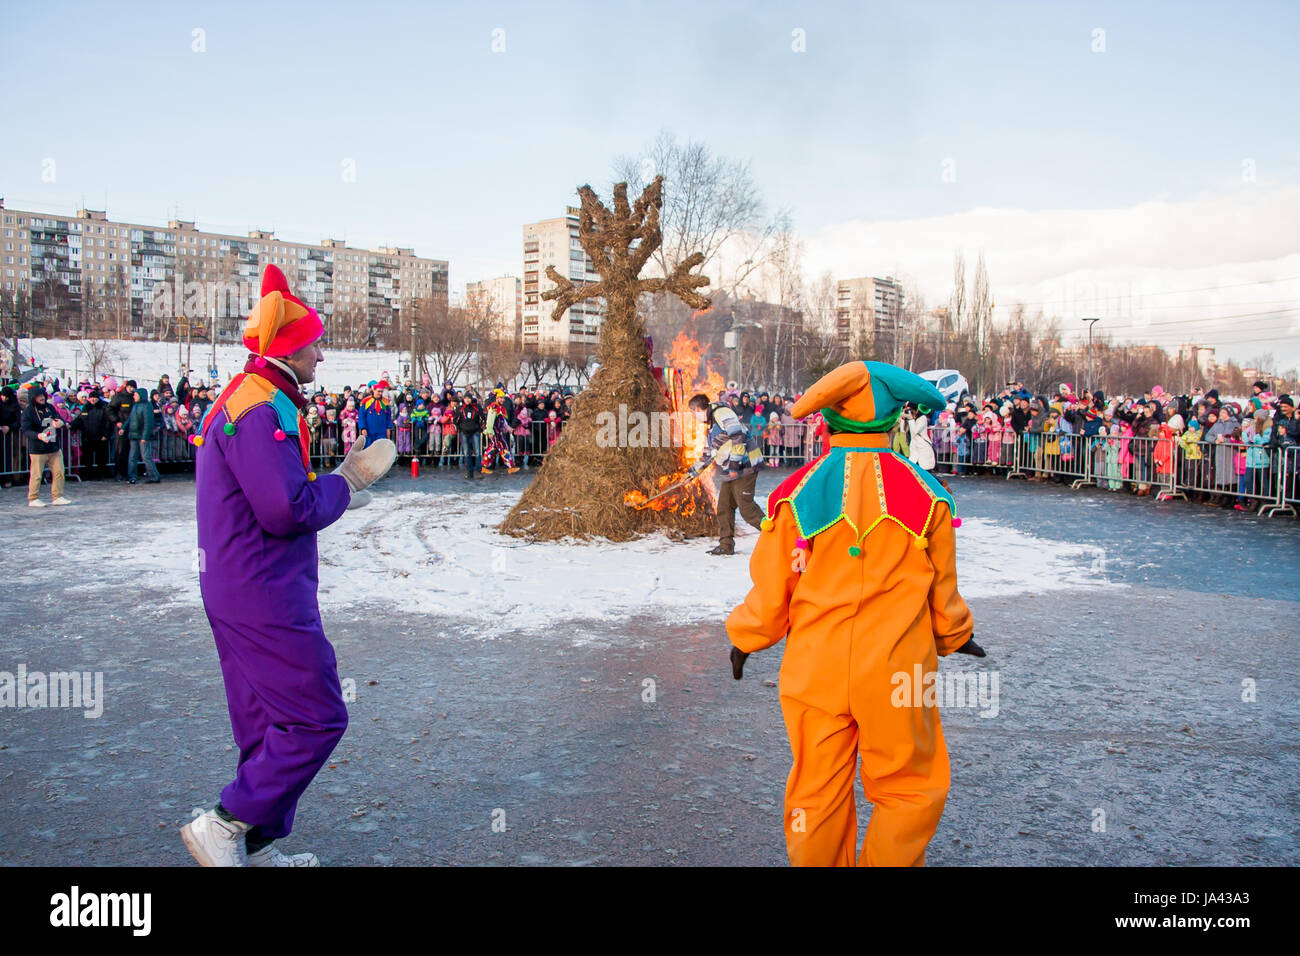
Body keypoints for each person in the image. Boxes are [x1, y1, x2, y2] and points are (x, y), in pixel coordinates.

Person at [726, 360, 984, 867]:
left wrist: (747, 637)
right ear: (893, 421)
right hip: (897, 670)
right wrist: (955, 636)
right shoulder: (930, 497)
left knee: (815, 793)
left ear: (828, 421)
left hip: (814, 669)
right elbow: (943, 590)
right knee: (909, 790)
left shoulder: (793, 494)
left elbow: (772, 588)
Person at [181, 265, 395, 868]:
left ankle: (248, 846)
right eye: (315, 343)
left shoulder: (252, 396)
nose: (322, 355)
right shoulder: (257, 406)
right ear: (290, 347)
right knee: (317, 716)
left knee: (267, 725)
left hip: (243, 583)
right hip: (262, 590)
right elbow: (285, 509)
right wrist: (346, 481)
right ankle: (225, 826)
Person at [684, 392, 764, 556]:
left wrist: (734, 466)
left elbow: (738, 437)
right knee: (724, 507)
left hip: (745, 466)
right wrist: (692, 473)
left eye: (693, 413)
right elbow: (708, 454)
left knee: (747, 509)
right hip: (732, 469)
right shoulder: (711, 425)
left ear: (698, 409)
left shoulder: (722, 414)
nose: (694, 416)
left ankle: (778, 536)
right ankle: (726, 545)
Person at [21, 385, 72, 507]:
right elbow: (26, 430)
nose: (42, 398)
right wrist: (38, 435)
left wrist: (60, 422)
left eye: (43, 395)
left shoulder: (49, 407)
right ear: (33, 398)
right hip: (38, 448)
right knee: (37, 474)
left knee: (59, 471)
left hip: (54, 446)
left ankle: (57, 496)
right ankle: (33, 498)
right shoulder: (29, 411)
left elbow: (58, 418)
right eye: (39, 396)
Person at [126, 387, 161, 484]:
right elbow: (130, 419)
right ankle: (132, 476)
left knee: (146, 456)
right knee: (132, 457)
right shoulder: (136, 405)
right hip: (134, 435)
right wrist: (123, 427)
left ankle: (154, 476)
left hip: (142, 436)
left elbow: (148, 422)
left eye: (136, 395)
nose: (134, 396)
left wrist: (145, 437)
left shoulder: (147, 406)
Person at [453, 392, 485, 478]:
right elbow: (455, 420)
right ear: (463, 399)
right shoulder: (460, 408)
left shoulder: (477, 407)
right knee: (466, 453)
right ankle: (469, 471)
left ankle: (478, 471)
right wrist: (460, 428)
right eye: (466, 398)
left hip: (475, 431)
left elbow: (483, 418)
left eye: (469, 398)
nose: (467, 400)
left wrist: (480, 429)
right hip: (464, 432)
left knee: (477, 452)